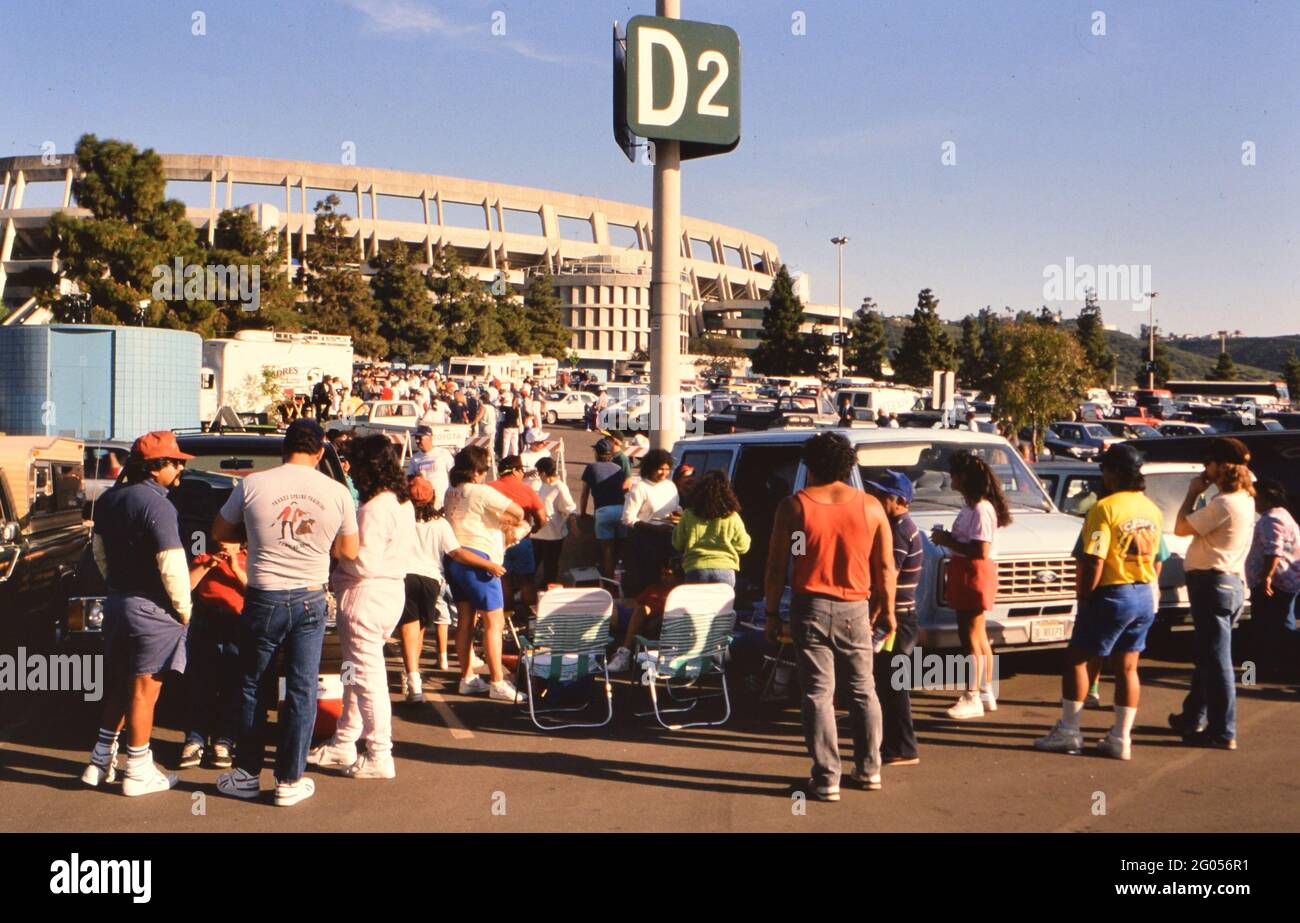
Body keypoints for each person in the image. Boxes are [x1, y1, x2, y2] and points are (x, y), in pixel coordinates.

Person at [214, 419, 359, 807]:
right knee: (301, 689)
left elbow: (219, 532)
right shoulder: (337, 491)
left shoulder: (253, 484)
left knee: (252, 685)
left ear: (284, 448)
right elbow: (349, 552)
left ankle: (245, 772)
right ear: (318, 451)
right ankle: (290, 780)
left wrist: (255, 535)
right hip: (311, 597)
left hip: (262, 595)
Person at [765, 432, 896, 801]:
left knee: (819, 694)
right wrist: (888, 609)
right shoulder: (871, 507)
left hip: (810, 607)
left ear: (811, 464)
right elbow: (885, 567)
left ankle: (827, 779)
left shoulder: (795, 506)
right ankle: (869, 769)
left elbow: (782, 564)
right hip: (856, 609)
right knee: (862, 690)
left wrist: (772, 612)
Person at [80, 431, 194, 796]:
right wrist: (184, 610)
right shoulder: (159, 504)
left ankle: (100, 761)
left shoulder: (111, 499)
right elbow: (171, 562)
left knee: (121, 685)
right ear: (157, 466)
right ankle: (139, 769)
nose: (180, 469)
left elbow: (98, 551)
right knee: (145, 691)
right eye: (176, 462)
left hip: (117, 603)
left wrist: (115, 584)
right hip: (152, 608)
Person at [1034, 444, 1163, 760]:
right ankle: (1121, 736)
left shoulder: (1104, 508)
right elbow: (1158, 556)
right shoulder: (1151, 508)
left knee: (1078, 659)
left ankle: (1069, 730)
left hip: (1111, 591)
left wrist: (1084, 595)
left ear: (1116, 473)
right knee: (1128, 666)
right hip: (1144, 590)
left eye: (1105, 469)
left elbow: (1094, 558)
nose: (1102, 474)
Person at [307, 436, 417, 780]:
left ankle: (378, 753)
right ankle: (344, 739)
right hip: (388, 594)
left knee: (367, 679)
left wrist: (337, 551)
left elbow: (363, 561)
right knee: (355, 673)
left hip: (364, 595)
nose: (350, 470)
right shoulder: (400, 503)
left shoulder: (373, 509)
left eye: (353, 462)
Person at [1169, 437, 1255, 750]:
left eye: (1209, 463)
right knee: (1208, 657)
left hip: (1212, 584)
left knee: (1217, 662)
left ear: (1220, 466)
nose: (1205, 468)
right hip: (1227, 583)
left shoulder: (1223, 503)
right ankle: (1192, 716)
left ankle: (1223, 731)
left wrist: (1193, 492)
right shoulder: (1244, 498)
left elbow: (1180, 527)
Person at [443, 445, 527, 702]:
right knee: (494, 623)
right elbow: (519, 512)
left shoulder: (451, 491)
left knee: (465, 620)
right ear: (477, 470)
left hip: (455, 558)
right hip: (480, 559)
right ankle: (497, 681)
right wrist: (505, 522)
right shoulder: (481, 491)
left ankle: (467, 677)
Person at [931, 450, 1011, 719]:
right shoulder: (972, 507)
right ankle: (986, 690)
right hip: (965, 571)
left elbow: (980, 549)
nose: (950, 478)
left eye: (953, 474)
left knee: (969, 638)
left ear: (964, 477)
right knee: (977, 636)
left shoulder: (981, 509)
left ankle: (972, 694)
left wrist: (946, 540)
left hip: (974, 572)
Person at [863, 470, 923, 767]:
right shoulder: (905, 526)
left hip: (896, 620)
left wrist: (874, 617)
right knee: (889, 684)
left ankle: (902, 747)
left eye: (882, 495)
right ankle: (895, 744)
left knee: (893, 686)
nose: (876, 499)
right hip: (900, 617)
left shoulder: (899, 530)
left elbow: (888, 578)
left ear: (899, 500)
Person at [180, 540, 248, 770]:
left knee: (232, 685)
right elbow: (186, 585)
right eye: (221, 540)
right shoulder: (203, 557)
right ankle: (195, 739)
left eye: (230, 540)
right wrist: (208, 565)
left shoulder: (249, 559)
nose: (225, 545)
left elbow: (254, 590)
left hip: (237, 625)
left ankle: (224, 740)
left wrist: (236, 568)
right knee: (201, 682)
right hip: (207, 622)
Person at [1245, 480, 1299, 682]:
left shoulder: (1272, 518)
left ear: (1267, 498)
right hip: (1286, 580)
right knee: (1281, 624)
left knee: (1271, 628)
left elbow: (1273, 550)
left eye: (1256, 498)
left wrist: (1266, 577)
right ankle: (1282, 669)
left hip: (1275, 582)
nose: (1254, 503)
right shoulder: (1283, 515)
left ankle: (1272, 670)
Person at [671, 469, 750, 588]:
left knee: (696, 607)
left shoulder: (688, 514)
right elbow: (743, 546)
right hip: (725, 570)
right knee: (721, 607)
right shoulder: (733, 516)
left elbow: (677, 543)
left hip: (695, 569)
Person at [620, 449, 681, 597]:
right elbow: (628, 518)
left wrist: (679, 516)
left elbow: (676, 508)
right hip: (645, 542)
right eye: (660, 469)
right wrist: (655, 529)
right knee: (648, 581)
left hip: (669, 540)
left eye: (667, 469)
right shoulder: (640, 487)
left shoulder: (670, 486)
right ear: (650, 468)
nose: (664, 473)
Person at [491, 454, 548, 610]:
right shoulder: (526, 490)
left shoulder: (489, 487)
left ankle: (507, 617)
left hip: (496, 541)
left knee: (503, 580)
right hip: (521, 540)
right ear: (515, 471)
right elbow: (542, 518)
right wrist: (534, 529)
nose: (523, 473)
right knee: (527, 581)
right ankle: (529, 619)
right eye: (521, 470)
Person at [607, 561, 680, 670]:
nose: (664, 577)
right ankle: (592, 654)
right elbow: (635, 602)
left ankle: (624, 654)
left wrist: (657, 620)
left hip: (652, 619)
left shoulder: (677, 593)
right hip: (636, 616)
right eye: (662, 574)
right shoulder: (653, 588)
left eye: (668, 575)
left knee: (643, 609)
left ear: (677, 577)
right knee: (608, 608)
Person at [580, 438, 628, 579]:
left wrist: (582, 513)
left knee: (607, 551)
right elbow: (624, 490)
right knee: (620, 550)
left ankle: (608, 583)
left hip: (603, 511)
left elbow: (584, 493)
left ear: (597, 453)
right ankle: (622, 581)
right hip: (621, 510)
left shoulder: (591, 468)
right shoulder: (618, 469)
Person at [532, 456, 577, 588]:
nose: (538, 476)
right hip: (538, 534)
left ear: (544, 473)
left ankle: (545, 593)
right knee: (533, 566)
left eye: (539, 473)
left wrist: (574, 525)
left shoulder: (559, 487)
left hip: (553, 535)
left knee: (550, 568)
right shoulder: (544, 485)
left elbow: (570, 508)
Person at [407, 424, 454, 509]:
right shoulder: (415, 458)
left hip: (442, 501)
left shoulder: (443, 453)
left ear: (430, 438)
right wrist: (417, 478)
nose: (417, 441)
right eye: (416, 438)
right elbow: (409, 477)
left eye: (420, 438)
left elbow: (453, 474)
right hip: (424, 501)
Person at [500, 392, 523, 458]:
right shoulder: (517, 410)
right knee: (514, 445)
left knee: (506, 444)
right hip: (515, 427)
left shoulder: (508, 409)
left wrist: (503, 401)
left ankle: (504, 457)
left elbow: (500, 408)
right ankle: (515, 457)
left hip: (508, 427)